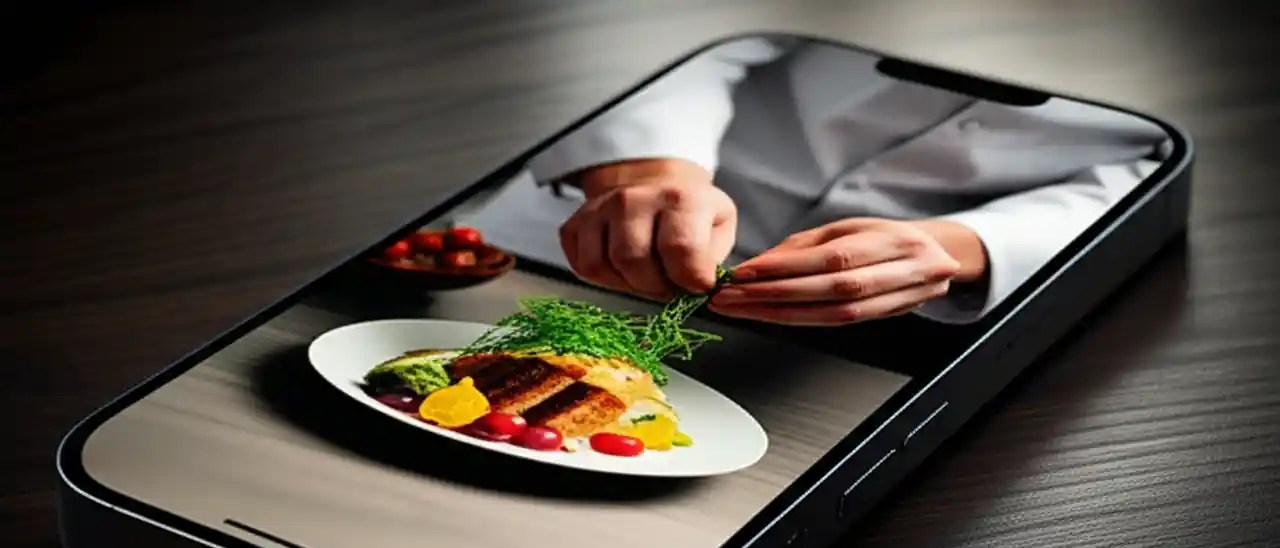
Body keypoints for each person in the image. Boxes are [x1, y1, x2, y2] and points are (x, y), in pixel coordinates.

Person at [466, 37, 1170, 325]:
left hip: (902, 324)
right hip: (575, 227)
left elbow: (1156, 155)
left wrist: (970, 246)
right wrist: (647, 164)